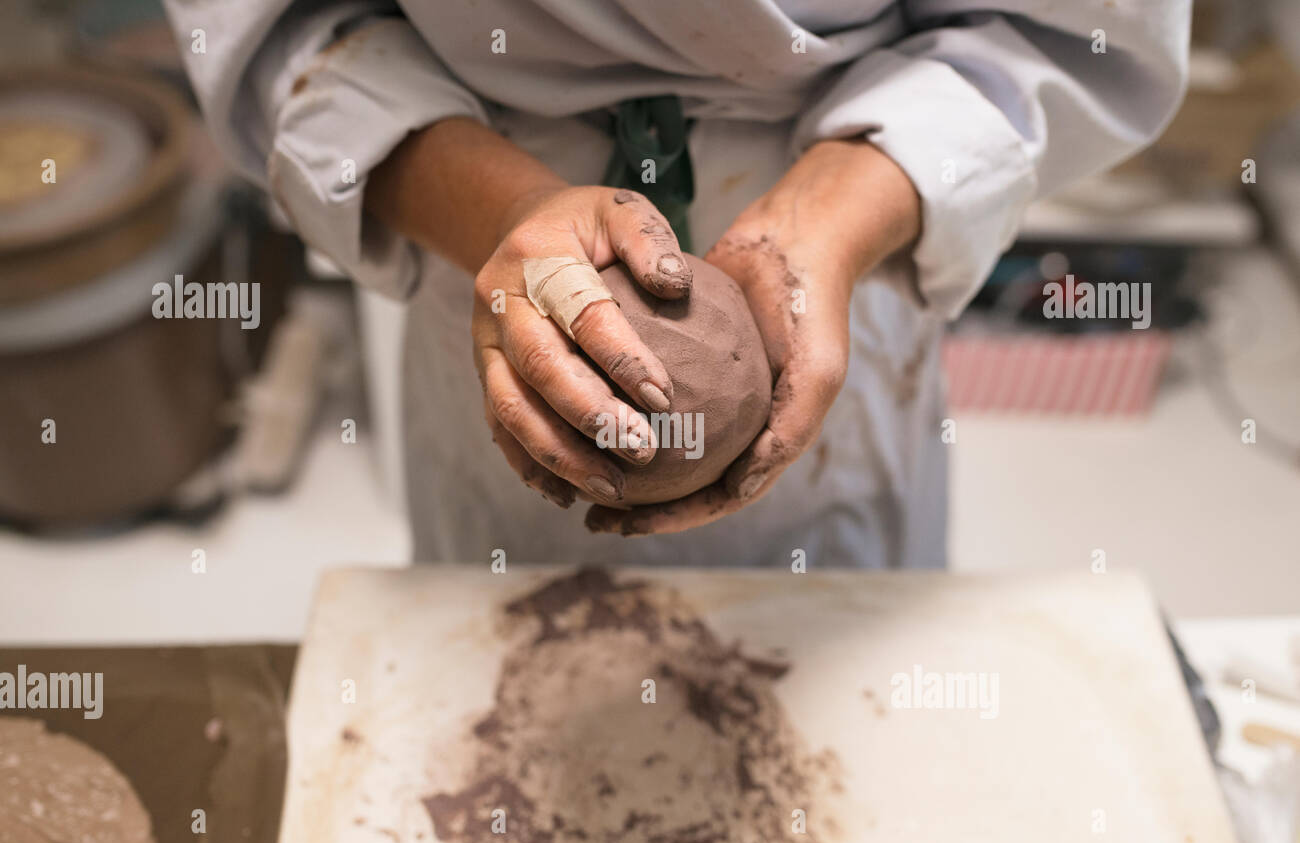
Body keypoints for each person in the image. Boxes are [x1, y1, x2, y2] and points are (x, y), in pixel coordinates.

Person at [164, 0, 1191, 567]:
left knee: (825, 726)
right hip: (480, 216)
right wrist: (502, 216)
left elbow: (1070, 33)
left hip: (843, 208)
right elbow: (278, 30)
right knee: (519, 697)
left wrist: (823, 225)